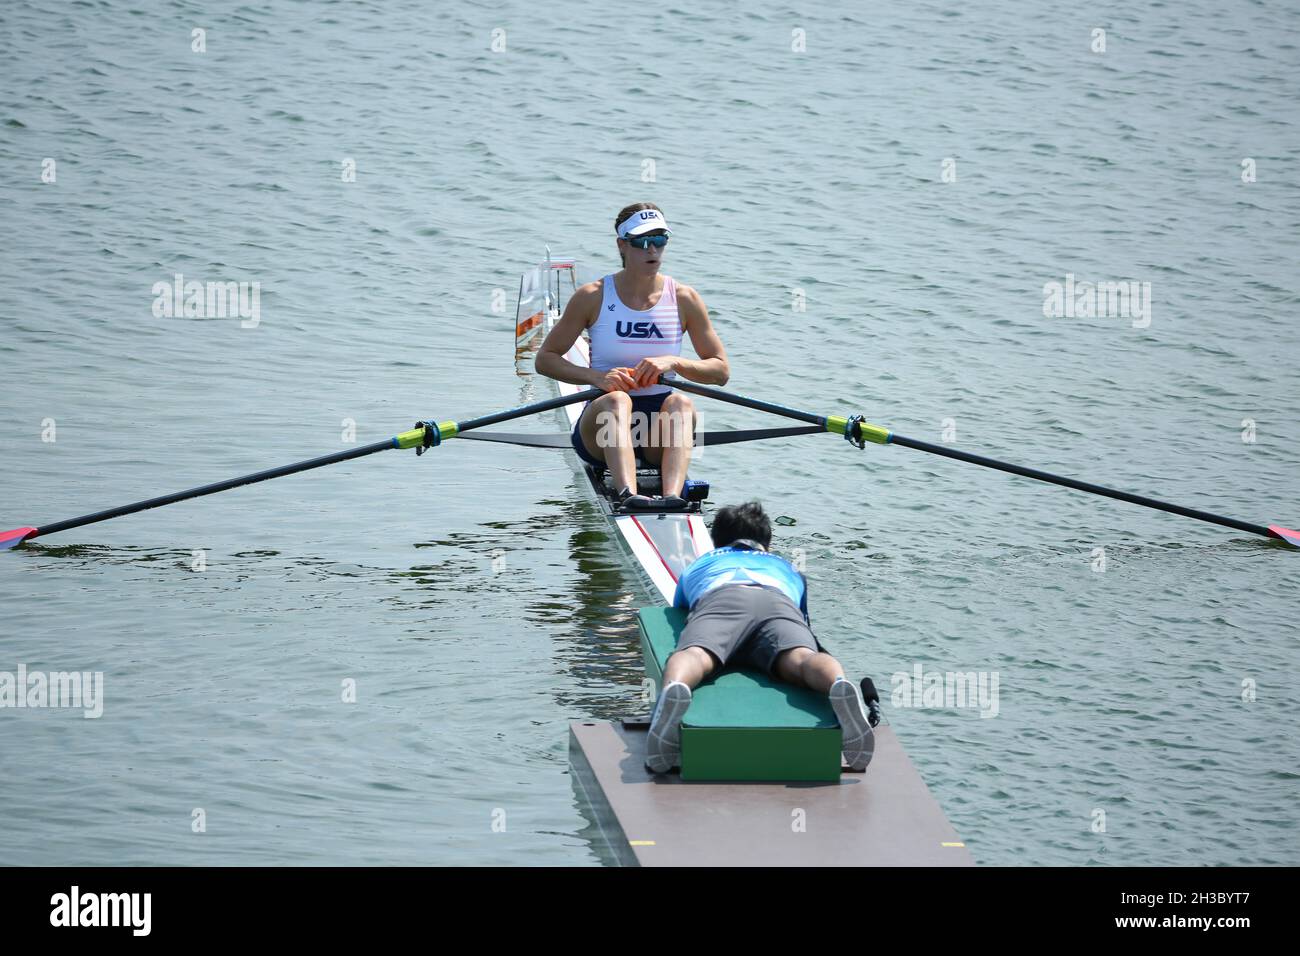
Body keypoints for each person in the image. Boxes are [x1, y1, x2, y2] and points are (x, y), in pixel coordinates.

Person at [646, 501, 877, 774]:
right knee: (803, 659)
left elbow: (680, 609)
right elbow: (803, 618)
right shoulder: (788, 568)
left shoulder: (701, 564)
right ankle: (837, 684)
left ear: (716, 542)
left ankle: (675, 689)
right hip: (776, 601)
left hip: (723, 597)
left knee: (696, 653)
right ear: (766, 544)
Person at [535, 202, 729, 511]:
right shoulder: (593, 296)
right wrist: (597, 378)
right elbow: (545, 359)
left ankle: (673, 498)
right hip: (601, 427)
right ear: (622, 245)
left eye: (660, 240)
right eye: (641, 241)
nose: (652, 250)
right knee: (617, 400)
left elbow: (720, 371)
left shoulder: (684, 299)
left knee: (682, 402)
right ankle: (627, 496)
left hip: (656, 433)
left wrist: (675, 363)